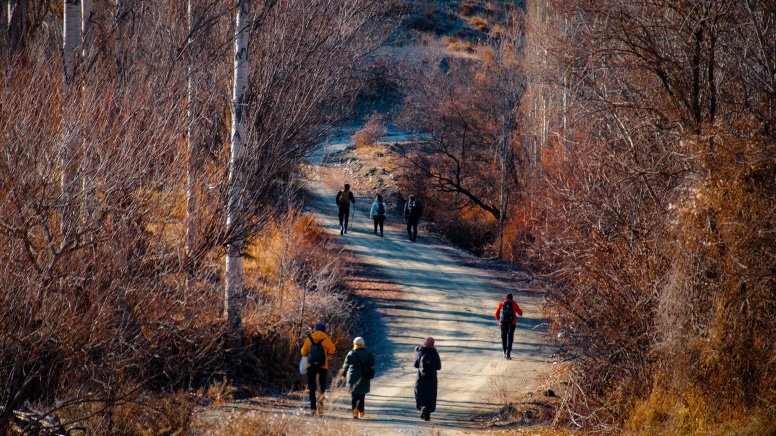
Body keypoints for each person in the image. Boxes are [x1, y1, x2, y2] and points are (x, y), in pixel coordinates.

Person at [300, 322, 336, 416]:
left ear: (315, 329)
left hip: (311, 366)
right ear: (324, 329)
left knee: (312, 388)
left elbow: (303, 352)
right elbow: (332, 350)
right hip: (323, 366)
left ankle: (313, 409)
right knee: (321, 388)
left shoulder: (309, 338)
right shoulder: (326, 339)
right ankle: (320, 409)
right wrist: (326, 351)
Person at [340, 337, 376, 419]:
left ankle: (354, 412)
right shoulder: (368, 353)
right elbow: (372, 363)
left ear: (354, 344)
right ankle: (361, 411)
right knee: (361, 395)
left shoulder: (351, 353)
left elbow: (345, 366)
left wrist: (343, 375)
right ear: (363, 344)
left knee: (354, 395)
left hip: (352, 376)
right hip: (364, 376)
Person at [414, 337, 441, 421]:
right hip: (432, 378)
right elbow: (438, 367)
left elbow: (416, 365)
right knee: (431, 395)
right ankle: (428, 415)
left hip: (421, 378)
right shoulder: (435, 353)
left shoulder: (420, 352)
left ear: (424, 343)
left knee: (419, 394)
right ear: (433, 344)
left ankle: (422, 407)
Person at [494, 293, 523, 359]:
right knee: (510, 337)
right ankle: (508, 353)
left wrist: (500, 320)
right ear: (512, 298)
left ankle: (504, 352)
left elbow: (496, 314)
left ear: (505, 298)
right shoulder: (514, 304)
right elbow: (520, 313)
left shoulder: (501, 304)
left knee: (504, 337)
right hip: (512, 323)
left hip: (503, 323)